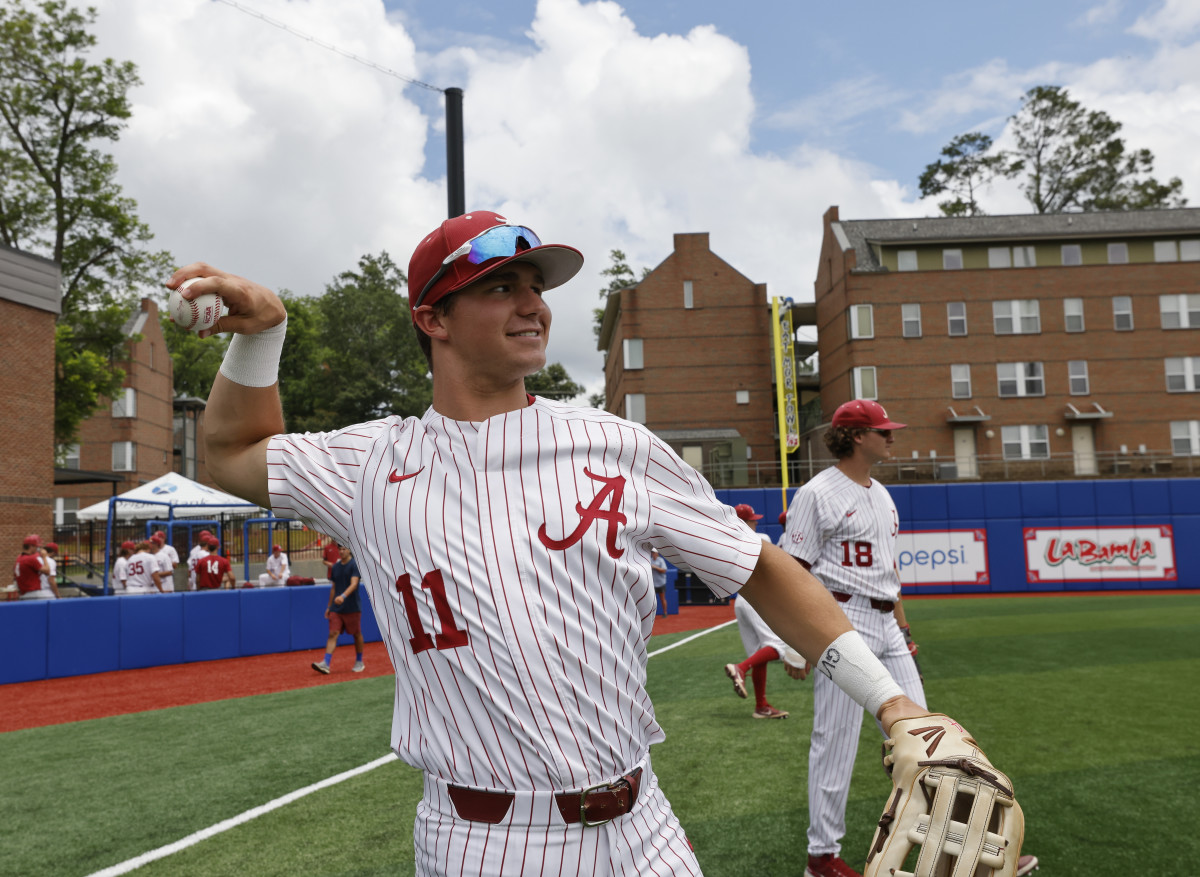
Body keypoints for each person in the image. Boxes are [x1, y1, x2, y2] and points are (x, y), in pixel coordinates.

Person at [171, 210, 934, 875]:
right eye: (501, 287)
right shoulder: (369, 463)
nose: (534, 304)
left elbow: (762, 570)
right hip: (485, 840)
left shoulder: (615, 443)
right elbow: (233, 452)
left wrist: (895, 706)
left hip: (644, 823)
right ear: (433, 318)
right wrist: (266, 331)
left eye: (535, 285)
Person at [783, 400, 1037, 877]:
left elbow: (889, 571)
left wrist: (904, 629)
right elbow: (792, 570)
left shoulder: (881, 494)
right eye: (883, 431)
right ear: (857, 436)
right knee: (834, 741)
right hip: (840, 620)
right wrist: (795, 643)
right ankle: (821, 858)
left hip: (884, 622)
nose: (892, 437)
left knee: (932, 742)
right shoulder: (818, 493)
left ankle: (960, 847)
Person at [722, 503, 790, 719]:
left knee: (758, 653)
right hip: (757, 599)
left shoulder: (727, 543)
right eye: (752, 519)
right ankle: (740, 668)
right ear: (743, 522)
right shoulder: (762, 538)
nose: (756, 521)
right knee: (778, 646)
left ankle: (761, 706)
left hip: (741, 600)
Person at [312, 543, 365, 674]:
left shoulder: (354, 565)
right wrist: (329, 607)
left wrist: (343, 596)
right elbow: (333, 588)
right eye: (340, 549)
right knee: (333, 633)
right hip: (337, 608)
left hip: (352, 607)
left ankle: (359, 661)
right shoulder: (335, 567)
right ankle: (326, 663)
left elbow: (354, 584)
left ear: (349, 550)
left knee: (356, 634)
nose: (341, 551)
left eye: (344, 549)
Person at [14, 535, 50, 600]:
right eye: (37, 547)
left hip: (23, 593)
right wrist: (44, 557)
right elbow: (47, 571)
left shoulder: (19, 558)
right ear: (31, 546)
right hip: (33, 593)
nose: (37, 549)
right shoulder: (31, 559)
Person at [649, 547, 668, 616]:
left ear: (657, 553)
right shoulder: (649, 560)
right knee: (652, 601)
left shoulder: (661, 560)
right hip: (653, 584)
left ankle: (665, 612)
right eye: (652, 552)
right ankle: (651, 615)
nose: (652, 554)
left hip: (661, 583)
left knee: (662, 599)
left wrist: (655, 567)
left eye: (653, 552)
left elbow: (664, 570)